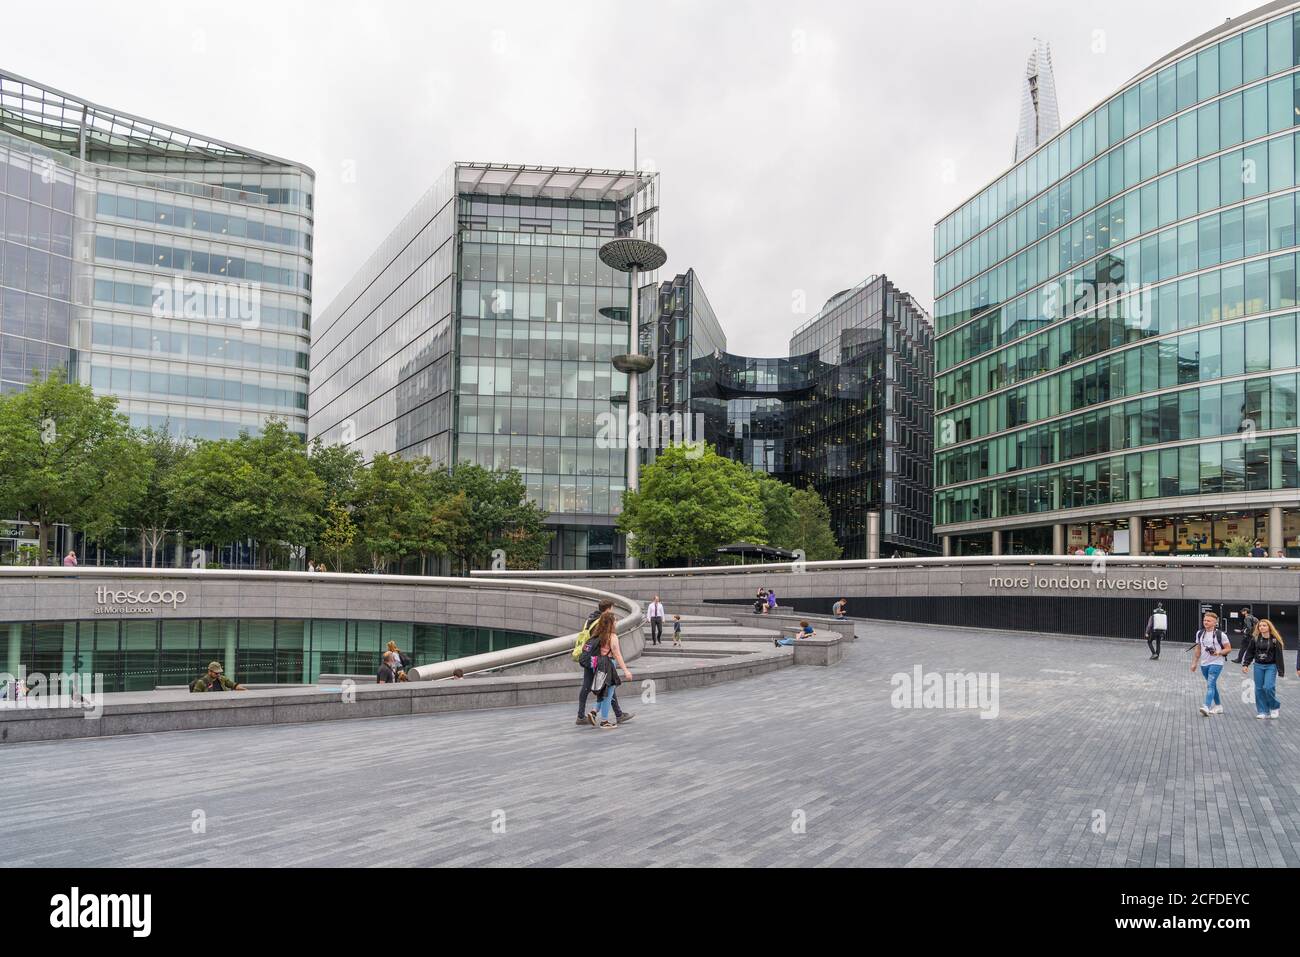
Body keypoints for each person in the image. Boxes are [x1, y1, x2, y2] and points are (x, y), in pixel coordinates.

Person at [576, 600, 631, 725]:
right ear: (608, 610)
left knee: (603, 688)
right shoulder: (604, 626)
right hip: (602, 662)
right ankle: (604, 718)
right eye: (612, 609)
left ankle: (598, 712)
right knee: (605, 689)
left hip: (593, 660)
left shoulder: (591, 619)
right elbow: (616, 653)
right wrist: (626, 670)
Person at [1242, 618, 1285, 719]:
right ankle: (1262, 711)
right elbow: (1250, 652)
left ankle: (1274, 707)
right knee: (1259, 689)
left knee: (1268, 687)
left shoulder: (1275, 639)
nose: (1261, 627)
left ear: (1269, 627)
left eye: (1264, 625)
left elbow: (1279, 656)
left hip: (1271, 666)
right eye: (1260, 626)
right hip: (1258, 666)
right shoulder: (1255, 638)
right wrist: (1245, 664)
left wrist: (1281, 671)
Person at [1191, 612, 1231, 716]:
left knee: (1210, 684)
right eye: (1205, 620)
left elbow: (1228, 648)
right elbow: (1198, 648)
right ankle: (1218, 706)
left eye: (1208, 621)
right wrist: (1194, 662)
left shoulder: (1221, 635)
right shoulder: (1200, 633)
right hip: (1204, 663)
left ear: (1215, 622)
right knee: (1212, 685)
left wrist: (1219, 652)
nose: (1206, 622)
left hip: (1217, 663)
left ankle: (1206, 706)